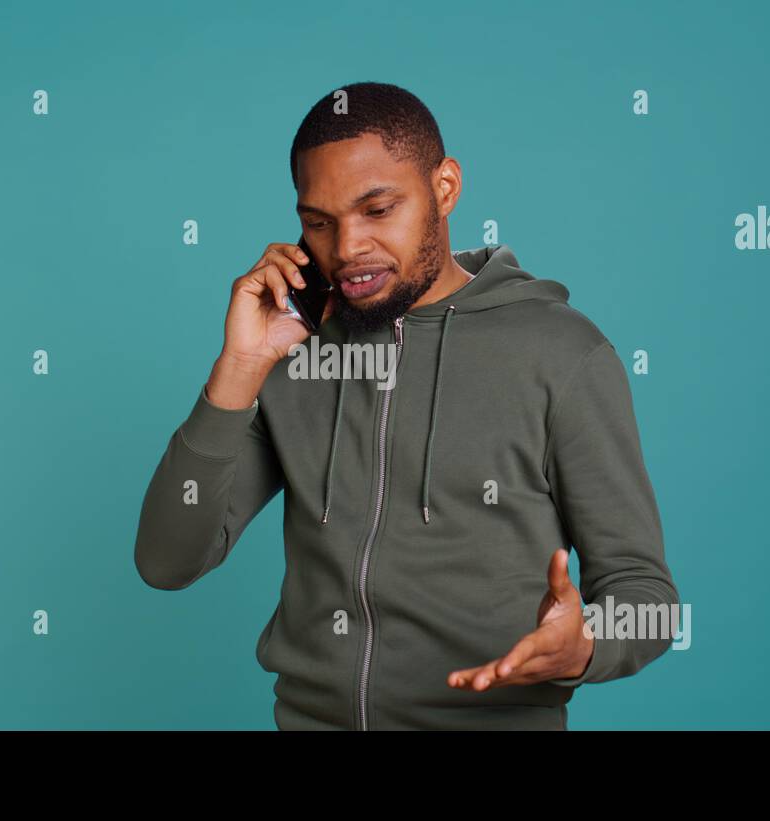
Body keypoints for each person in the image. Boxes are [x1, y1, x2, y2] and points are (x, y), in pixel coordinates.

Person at [134, 81, 679, 730]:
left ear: (444, 187)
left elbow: (647, 596)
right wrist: (240, 369)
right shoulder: (295, 353)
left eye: (377, 209)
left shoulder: (562, 353)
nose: (347, 249)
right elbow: (166, 561)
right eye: (319, 222)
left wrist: (586, 644)